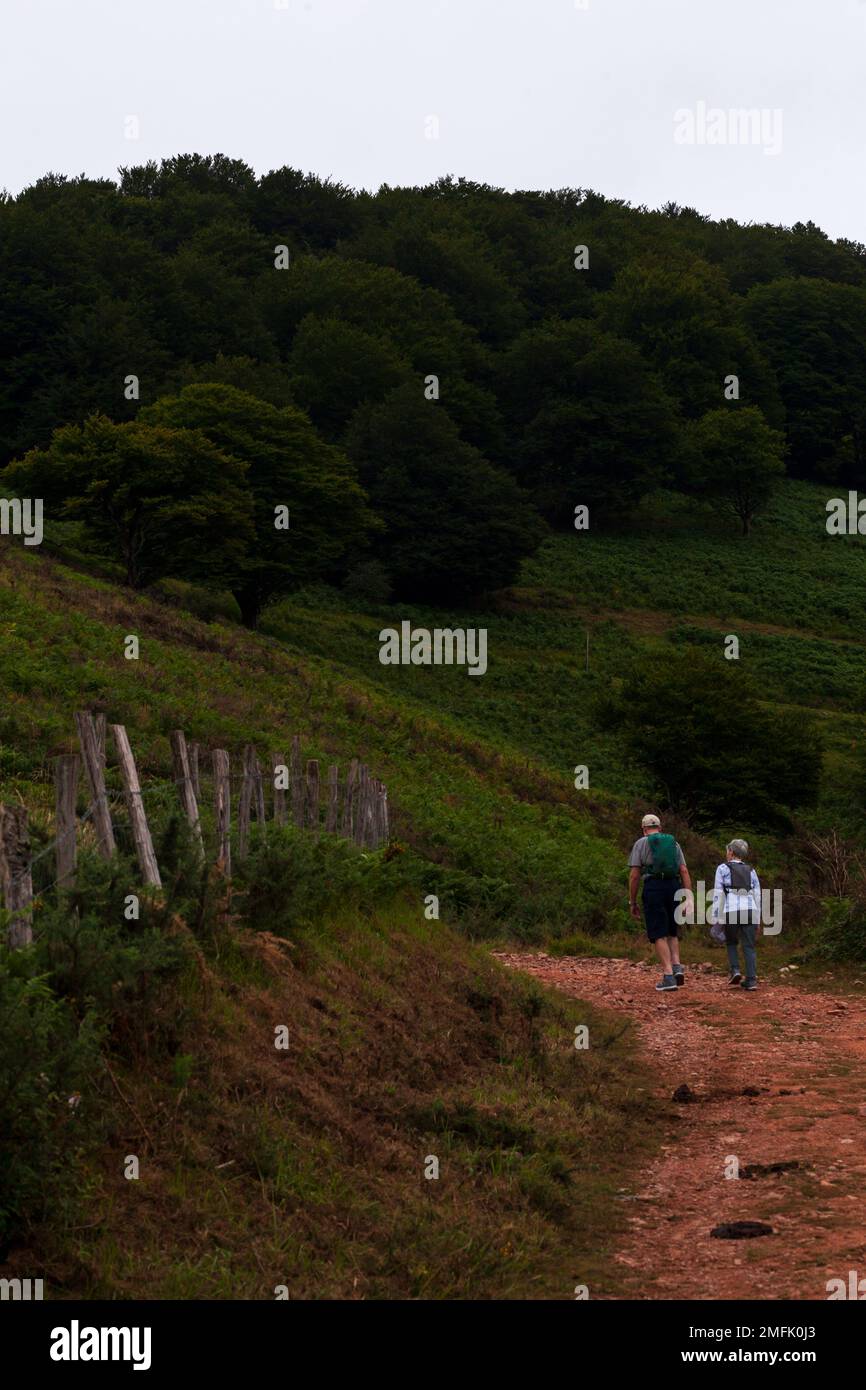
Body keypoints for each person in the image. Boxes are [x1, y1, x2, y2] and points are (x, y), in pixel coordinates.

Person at [628, 814, 692, 992]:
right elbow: (684, 871)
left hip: (654, 887)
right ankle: (677, 966)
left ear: (644, 829)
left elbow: (634, 875)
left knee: (658, 933)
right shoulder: (674, 843)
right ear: (660, 827)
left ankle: (668, 976)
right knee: (672, 930)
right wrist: (688, 897)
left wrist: (632, 901)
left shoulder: (641, 843)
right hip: (674, 886)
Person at [710, 839, 761, 991]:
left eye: (727, 851)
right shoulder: (751, 870)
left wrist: (716, 916)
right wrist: (758, 919)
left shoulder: (722, 869)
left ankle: (735, 970)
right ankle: (751, 980)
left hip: (731, 909)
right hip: (750, 910)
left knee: (731, 942)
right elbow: (757, 894)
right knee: (749, 946)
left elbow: (718, 893)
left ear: (731, 852)